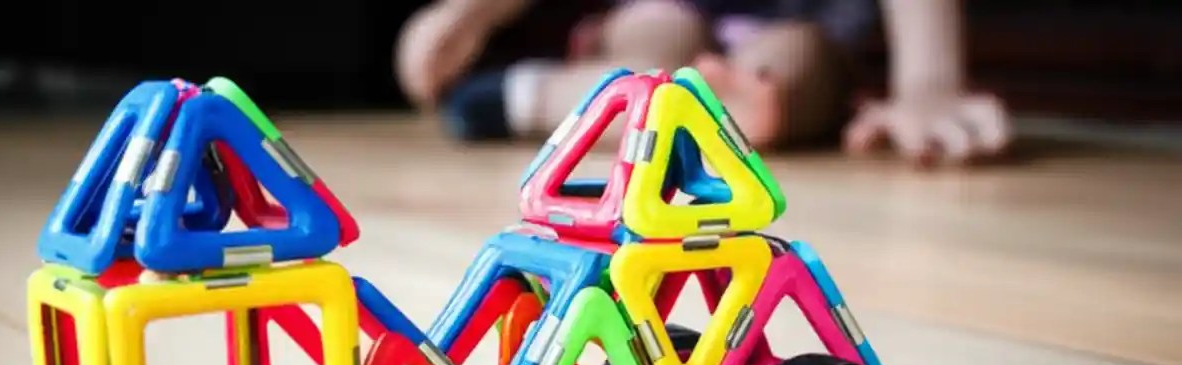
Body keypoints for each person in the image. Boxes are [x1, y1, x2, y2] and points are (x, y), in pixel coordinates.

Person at [395, 0, 1012, 165]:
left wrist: (929, 83)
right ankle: (532, 95)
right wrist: (468, 13)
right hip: (666, 15)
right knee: (653, 35)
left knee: (795, 61)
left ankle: (548, 99)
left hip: (792, 30)